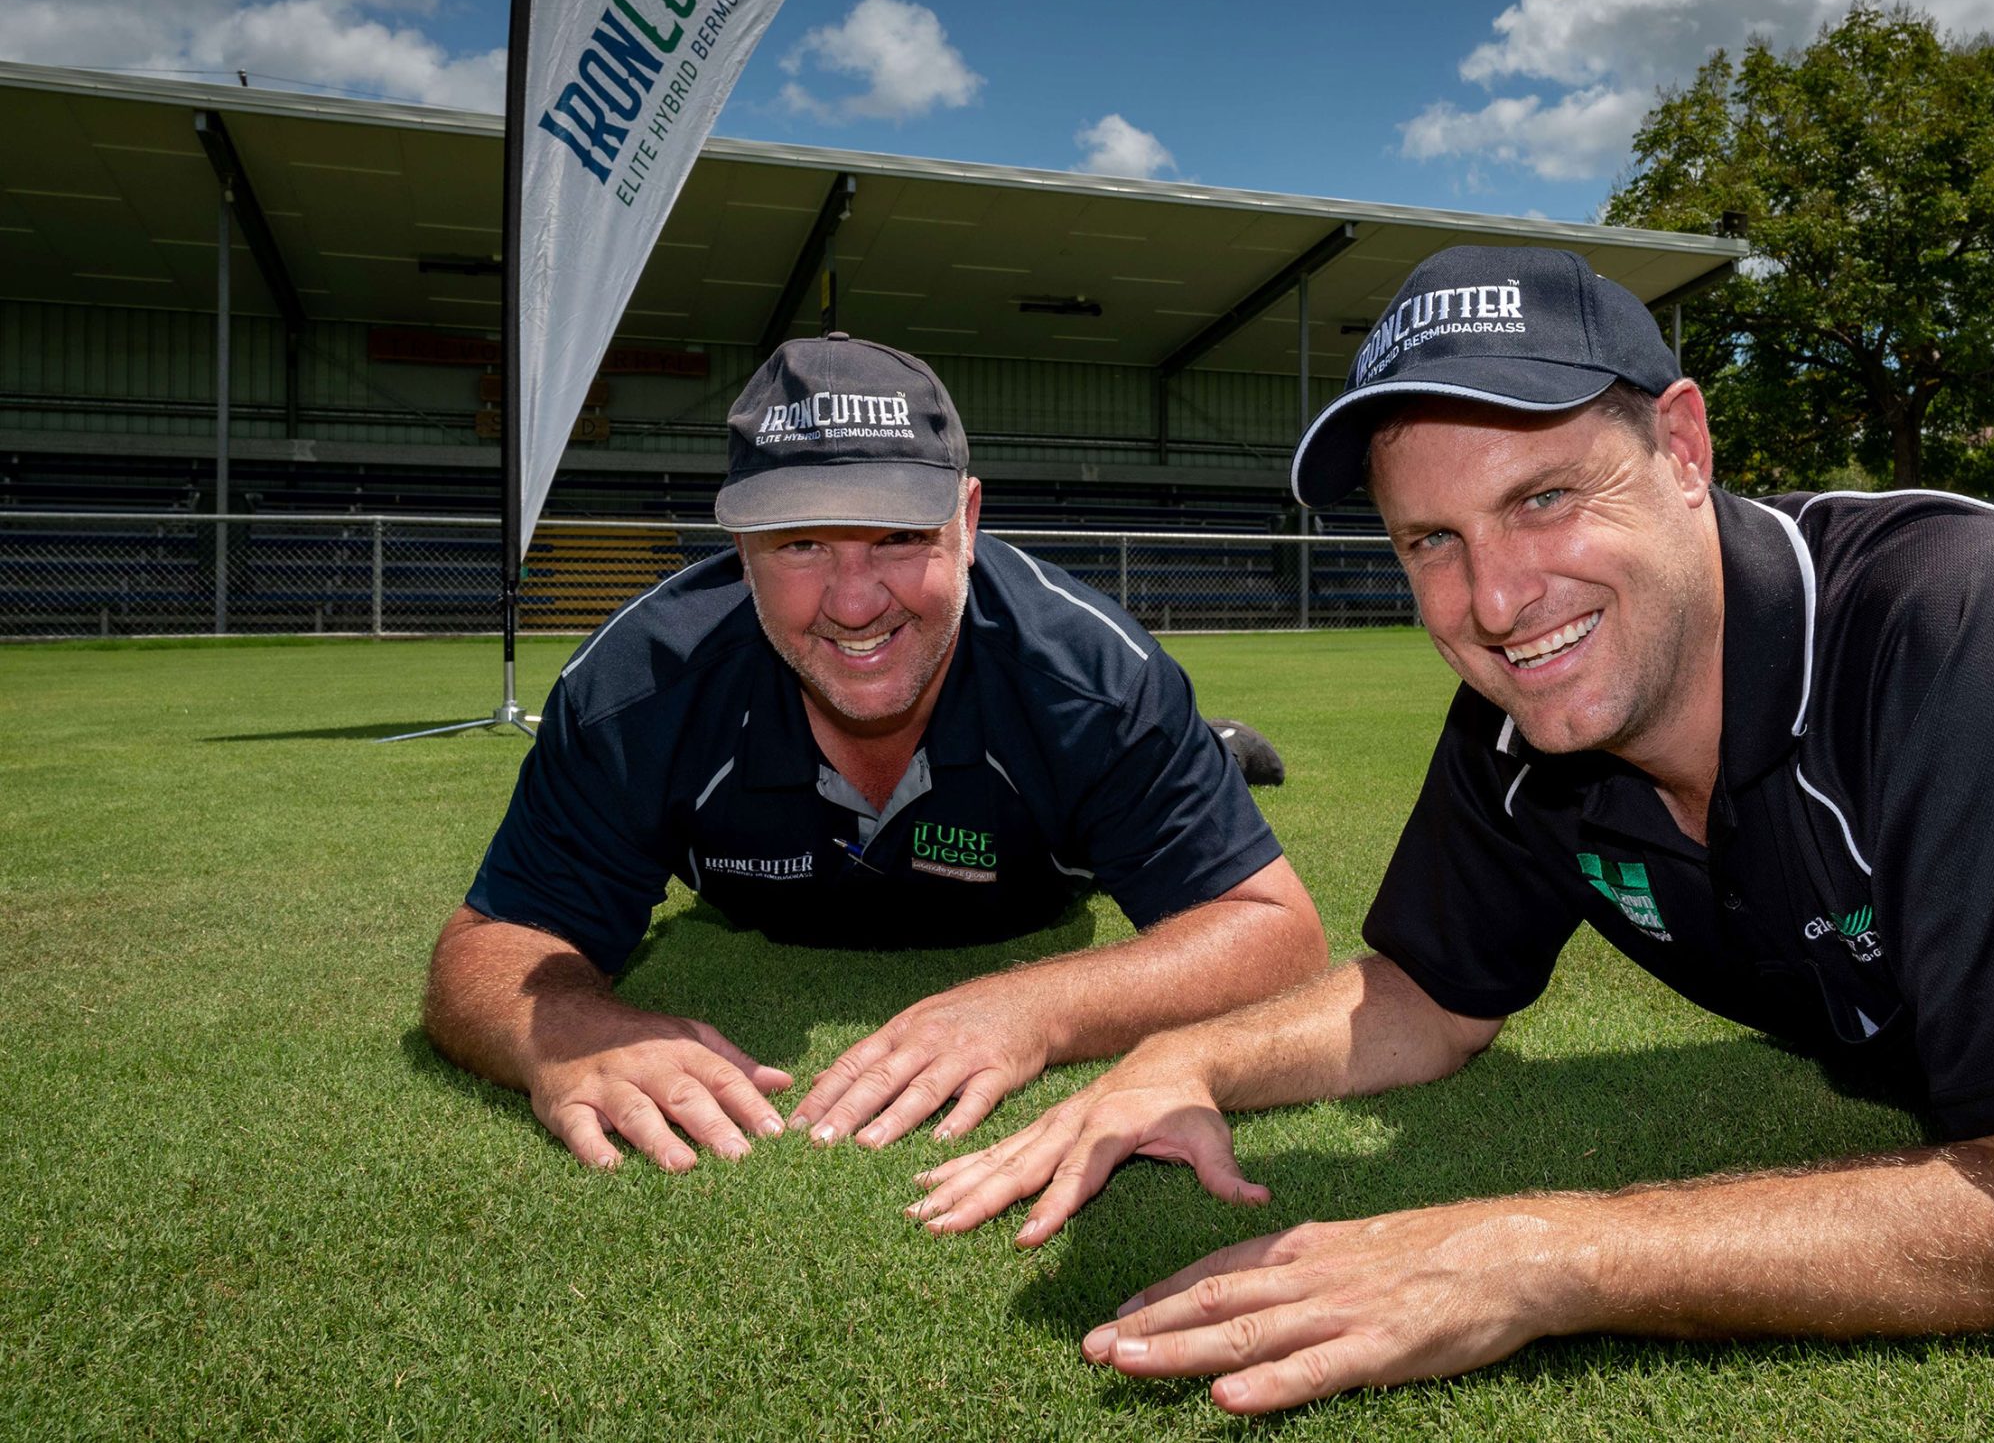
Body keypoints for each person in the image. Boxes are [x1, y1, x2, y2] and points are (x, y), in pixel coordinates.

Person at [907, 245, 1994, 1415]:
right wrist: (1186, 1059)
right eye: (1433, 538)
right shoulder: (1523, 711)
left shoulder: (1970, 618)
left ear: (1683, 447)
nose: (1492, 598)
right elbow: (1419, 998)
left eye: (1547, 496)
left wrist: (1542, 1248)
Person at [423, 334, 1328, 1173]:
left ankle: (1209, 751)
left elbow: (1276, 930)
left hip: (1054, 876)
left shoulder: (1093, 678)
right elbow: (490, 944)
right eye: (801, 542)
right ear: (741, 548)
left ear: (967, 521)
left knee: (1147, 769)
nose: (854, 603)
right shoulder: (634, 693)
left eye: (899, 535)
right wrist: (571, 1029)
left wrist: (1031, 1008)